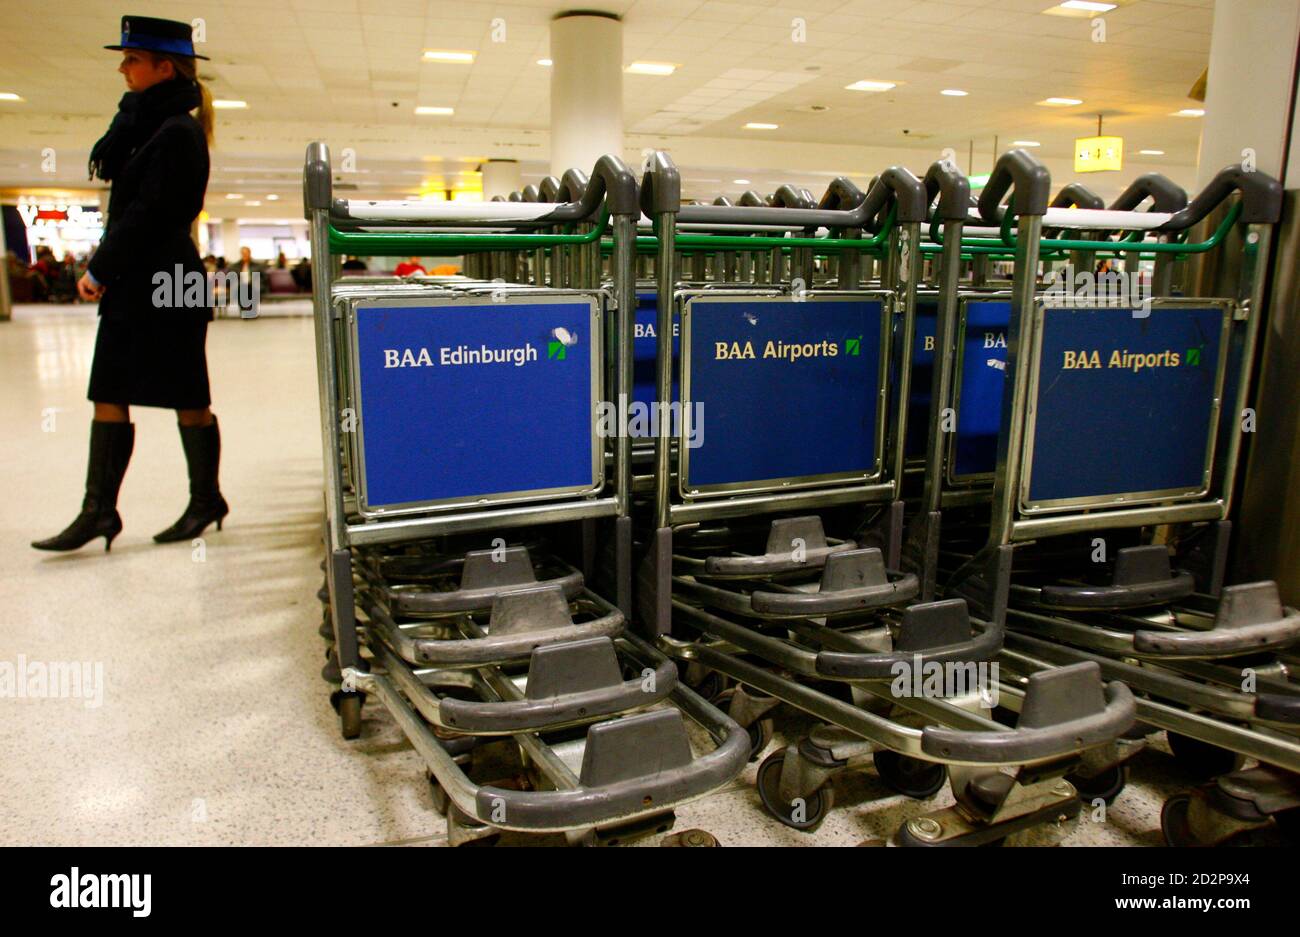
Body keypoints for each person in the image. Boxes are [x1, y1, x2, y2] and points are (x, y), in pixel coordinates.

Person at [33, 15, 229, 553]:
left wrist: (99, 267)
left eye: (132, 59)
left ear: (164, 68)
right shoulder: (144, 127)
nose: (123, 68)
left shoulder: (178, 132)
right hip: (140, 282)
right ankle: (99, 511)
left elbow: (148, 216)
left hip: (169, 282)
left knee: (189, 396)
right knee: (109, 391)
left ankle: (206, 499)